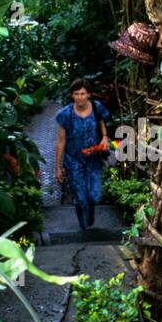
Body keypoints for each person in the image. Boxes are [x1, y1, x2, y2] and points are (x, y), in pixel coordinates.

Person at [55, 79, 110, 230]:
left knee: (95, 195)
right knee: (80, 194)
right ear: (72, 95)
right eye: (76, 94)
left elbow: (101, 122)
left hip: (94, 158)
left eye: (83, 94)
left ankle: (90, 209)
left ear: (88, 94)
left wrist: (105, 137)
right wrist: (58, 168)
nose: (79, 97)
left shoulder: (97, 107)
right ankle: (82, 222)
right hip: (73, 160)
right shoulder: (65, 114)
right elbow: (60, 141)